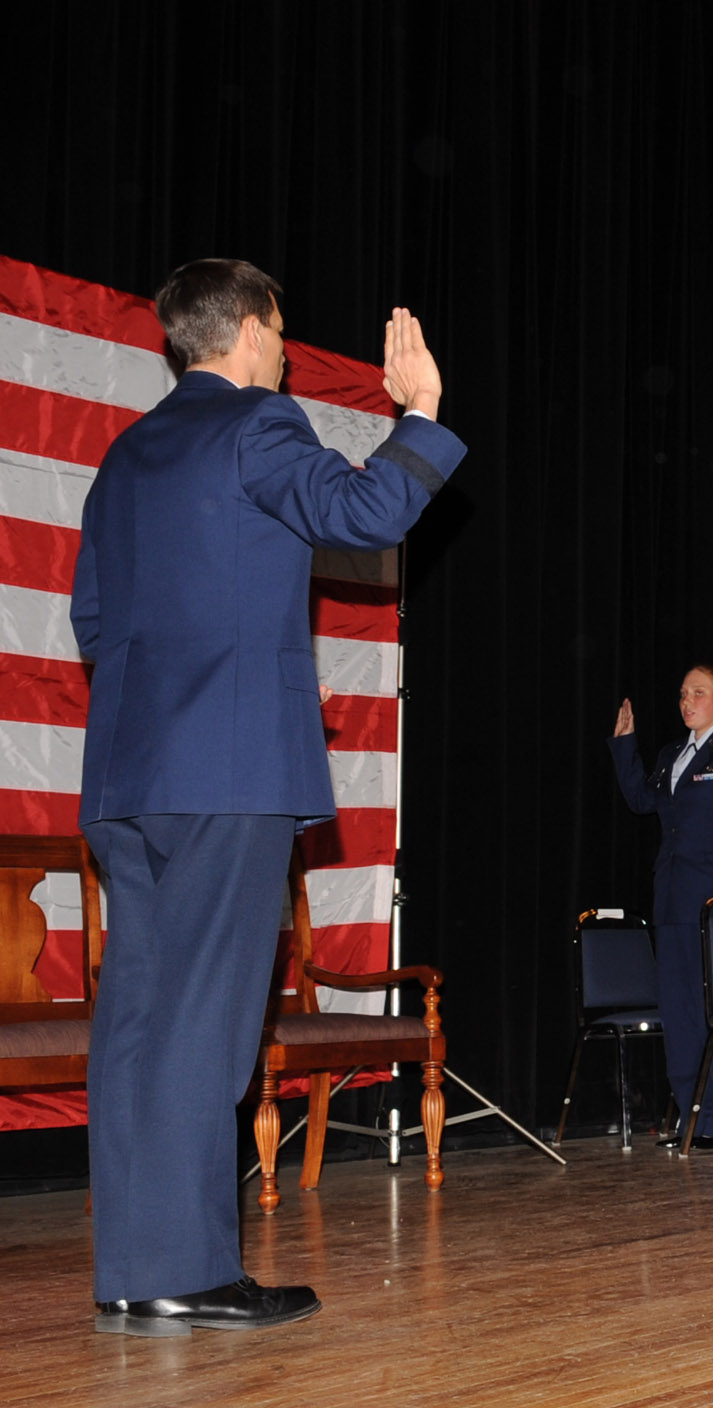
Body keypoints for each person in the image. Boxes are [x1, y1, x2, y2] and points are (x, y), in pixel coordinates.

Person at [75, 260, 465, 1336]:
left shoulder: (122, 457)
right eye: (281, 332)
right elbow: (371, 508)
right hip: (226, 776)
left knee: (142, 1024)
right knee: (206, 1022)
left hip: (126, 781)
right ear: (247, 332)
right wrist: (422, 410)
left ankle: (135, 1269)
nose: (287, 351)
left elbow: (93, 624)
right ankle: (190, 1272)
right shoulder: (257, 424)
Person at [608, 664, 713, 1150]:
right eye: (683, 693)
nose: (687, 701)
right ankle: (691, 1115)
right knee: (680, 1013)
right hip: (674, 900)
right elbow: (642, 800)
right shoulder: (672, 754)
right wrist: (624, 747)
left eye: (699, 692)